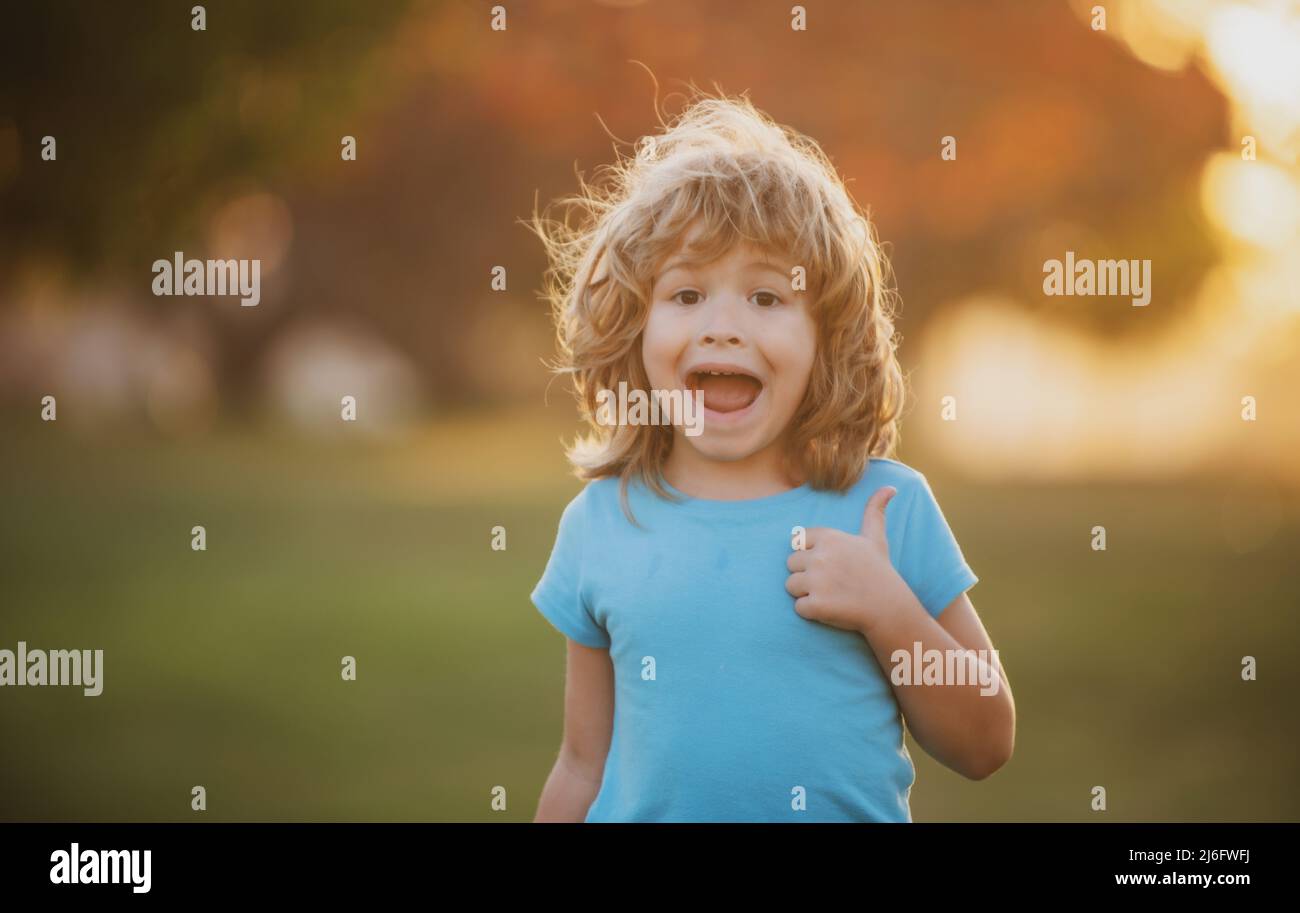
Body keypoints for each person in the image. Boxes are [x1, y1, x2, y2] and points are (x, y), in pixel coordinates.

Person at [526, 90, 1014, 822]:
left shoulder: (883, 508)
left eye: (766, 298)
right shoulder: (602, 521)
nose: (723, 326)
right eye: (686, 294)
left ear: (827, 340)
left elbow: (985, 743)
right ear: (634, 326)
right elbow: (580, 764)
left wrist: (888, 609)